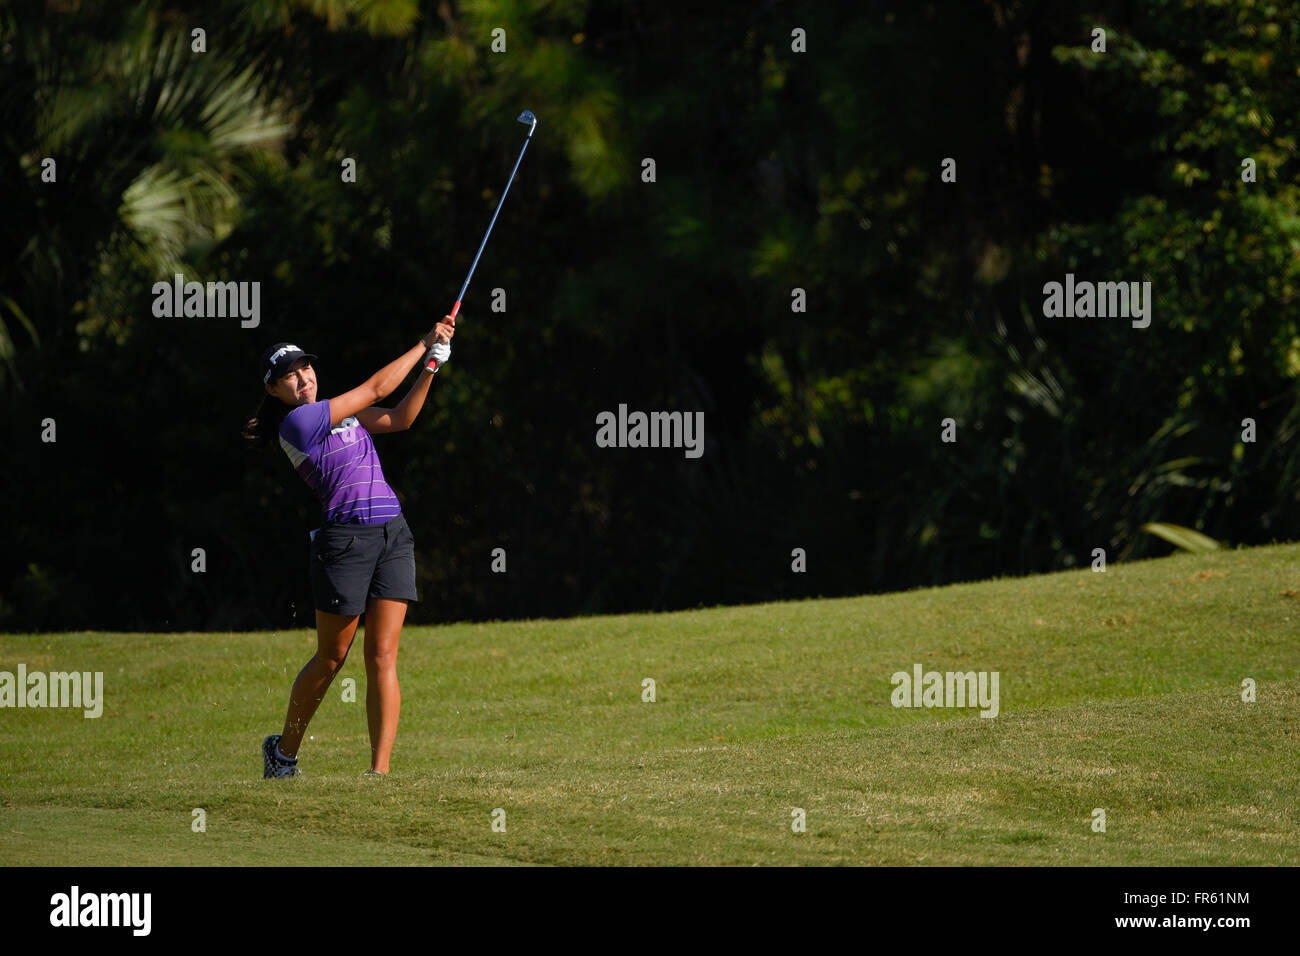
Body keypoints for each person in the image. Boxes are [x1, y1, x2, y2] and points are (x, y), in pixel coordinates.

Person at [241, 317, 456, 778]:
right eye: (289, 376)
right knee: (332, 658)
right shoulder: (298, 424)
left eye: (305, 370)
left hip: (392, 534)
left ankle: (379, 775)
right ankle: (283, 754)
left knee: (382, 656)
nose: (302, 380)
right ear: (275, 391)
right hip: (345, 544)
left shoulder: (339, 413)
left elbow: (400, 418)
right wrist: (424, 342)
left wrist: (431, 368)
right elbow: (378, 388)